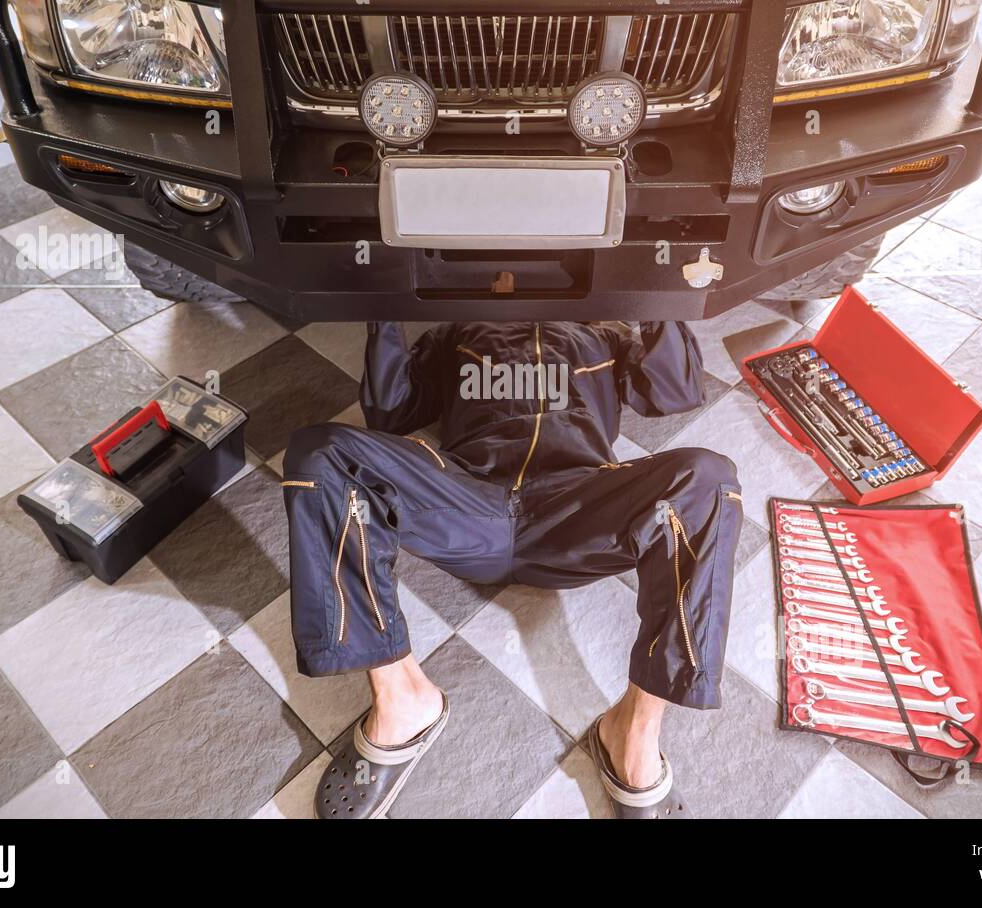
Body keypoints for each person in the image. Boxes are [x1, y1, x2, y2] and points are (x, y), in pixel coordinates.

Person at [283, 321, 742, 819]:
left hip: (574, 509)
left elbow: (674, 391)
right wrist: (385, 305)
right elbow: (390, 410)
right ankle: (402, 697)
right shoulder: (459, 329)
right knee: (321, 452)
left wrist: (658, 294)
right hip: (467, 500)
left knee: (708, 480)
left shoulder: (603, 336)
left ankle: (633, 731)